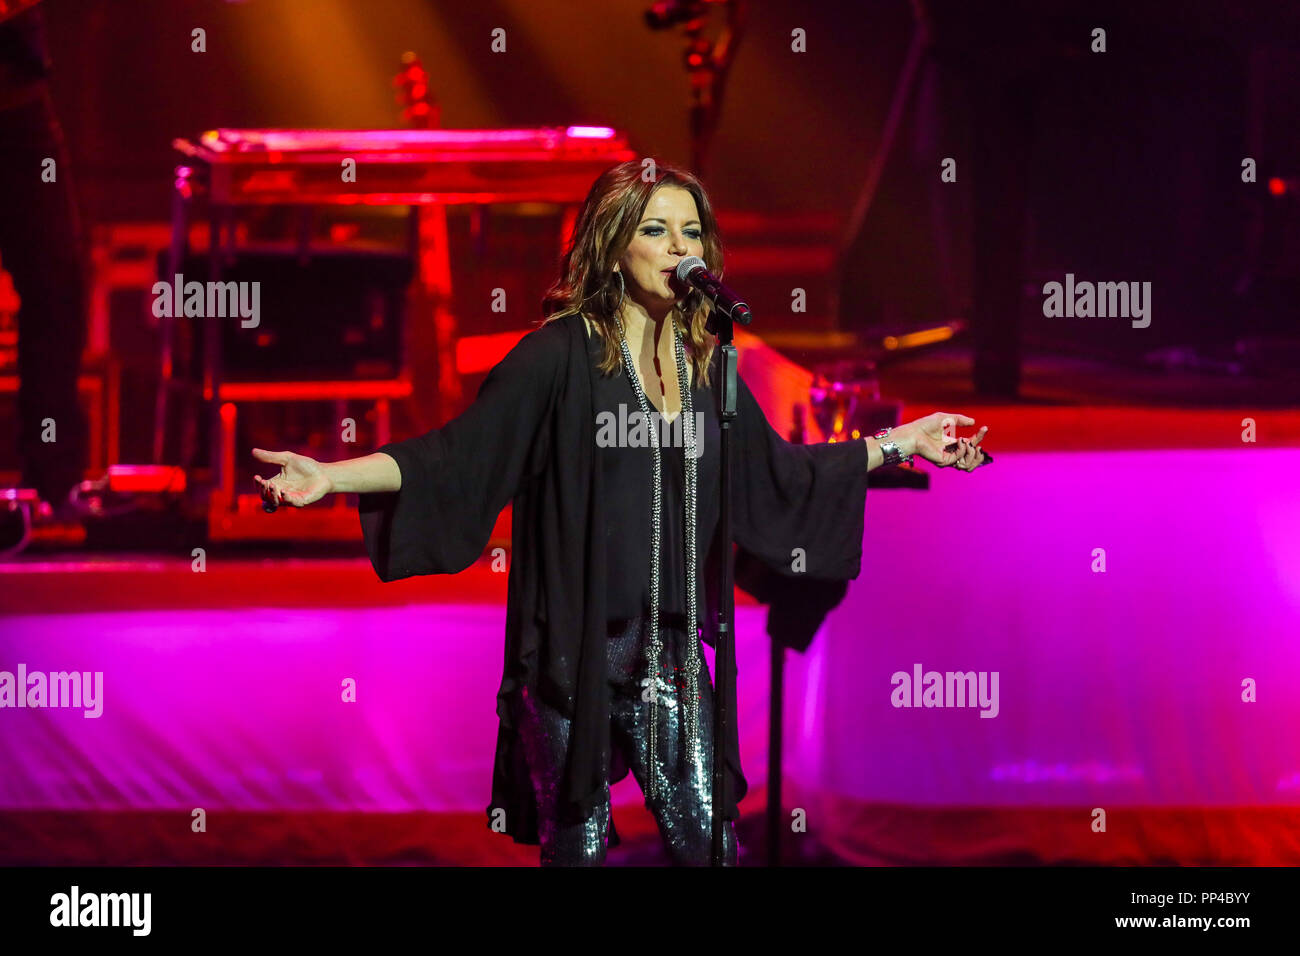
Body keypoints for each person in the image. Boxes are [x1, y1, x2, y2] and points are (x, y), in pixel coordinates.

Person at [251, 159, 988, 866]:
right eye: (656, 231)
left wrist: (905, 442)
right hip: (576, 655)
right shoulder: (559, 357)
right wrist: (331, 475)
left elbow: (782, 473)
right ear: (611, 246)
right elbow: (457, 456)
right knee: (577, 849)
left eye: (691, 232)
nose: (678, 248)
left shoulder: (709, 366)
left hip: (674, 655)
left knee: (709, 844)